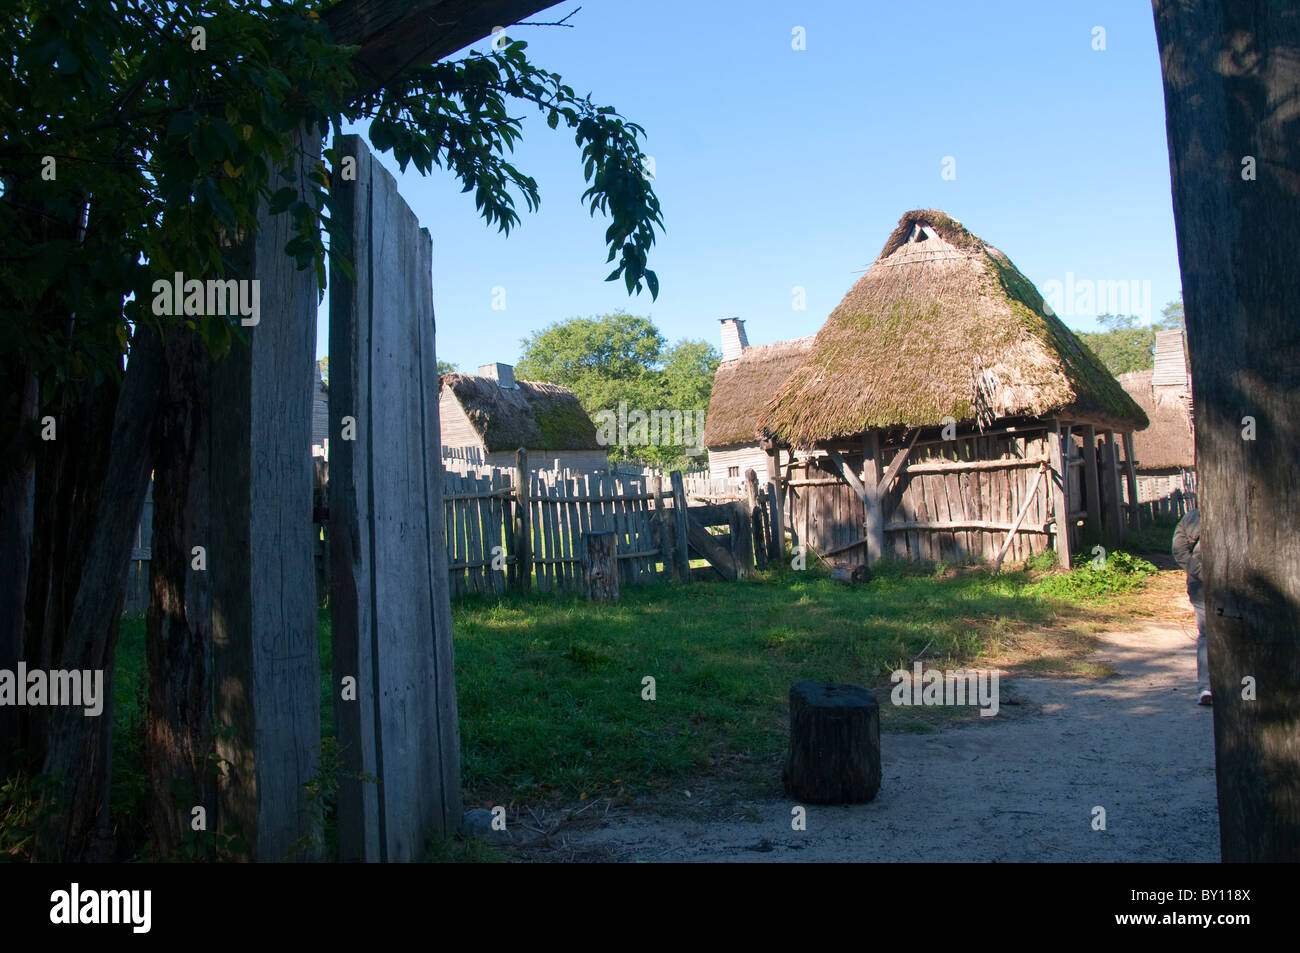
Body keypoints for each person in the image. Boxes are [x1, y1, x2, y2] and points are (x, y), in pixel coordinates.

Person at [1172, 508, 1209, 705]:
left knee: (1207, 635)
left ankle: (1206, 687)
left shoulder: (1191, 517)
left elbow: (1179, 551)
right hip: (1206, 585)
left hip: (1202, 583)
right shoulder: (1193, 517)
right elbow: (1179, 551)